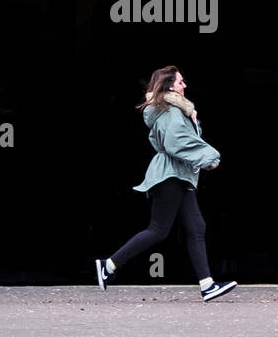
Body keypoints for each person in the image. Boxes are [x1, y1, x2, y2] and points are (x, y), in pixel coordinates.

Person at [94, 66, 237, 301]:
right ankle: (108, 265)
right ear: (170, 86)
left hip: (177, 174)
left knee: (196, 227)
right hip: (170, 175)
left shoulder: (171, 110)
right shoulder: (171, 111)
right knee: (158, 229)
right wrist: (210, 158)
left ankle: (207, 285)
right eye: (181, 82)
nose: (185, 85)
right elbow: (176, 142)